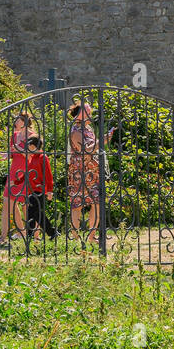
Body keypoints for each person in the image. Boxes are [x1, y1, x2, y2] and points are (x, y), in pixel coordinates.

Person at [0, 112, 35, 248]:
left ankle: (29, 234)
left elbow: (31, 156)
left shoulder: (33, 136)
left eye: (17, 120)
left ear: (24, 121)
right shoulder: (14, 136)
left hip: (25, 173)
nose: (15, 122)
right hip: (13, 173)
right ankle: (3, 237)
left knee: (24, 205)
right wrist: (8, 154)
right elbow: (14, 154)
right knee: (8, 203)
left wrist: (18, 148)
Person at [67, 99, 102, 246]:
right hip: (79, 172)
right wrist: (101, 142)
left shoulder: (89, 129)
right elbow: (85, 152)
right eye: (87, 111)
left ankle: (92, 235)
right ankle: (76, 239)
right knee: (77, 204)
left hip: (92, 172)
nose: (90, 113)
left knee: (97, 202)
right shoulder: (75, 131)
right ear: (81, 114)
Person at [23, 135, 57, 240]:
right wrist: (16, 181)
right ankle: (52, 233)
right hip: (31, 190)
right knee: (36, 214)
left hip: (39, 190)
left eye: (28, 145)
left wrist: (50, 191)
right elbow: (28, 174)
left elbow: (48, 175)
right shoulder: (31, 158)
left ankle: (30, 235)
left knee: (33, 214)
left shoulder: (43, 157)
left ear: (33, 146)